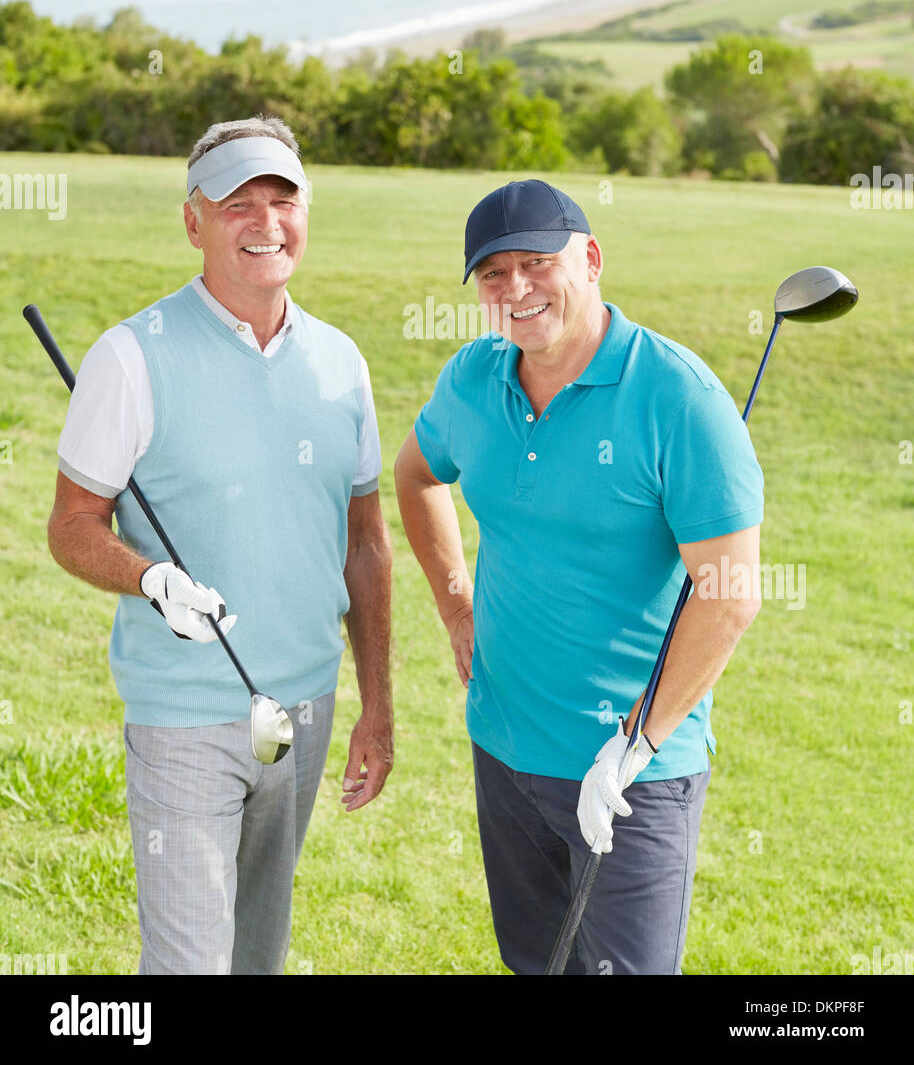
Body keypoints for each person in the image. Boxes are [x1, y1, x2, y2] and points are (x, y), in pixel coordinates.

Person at [47, 115, 393, 975]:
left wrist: (376, 705)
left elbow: (367, 546)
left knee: (255, 955)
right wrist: (152, 576)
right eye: (238, 201)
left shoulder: (341, 362)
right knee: (190, 966)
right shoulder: (129, 357)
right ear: (193, 221)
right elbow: (72, 525)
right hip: (187, 717)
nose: (266, 220)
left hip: (303, 708)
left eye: (283, 198)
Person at [395, 179, 763, 976]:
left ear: (590, 260)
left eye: (537, 262)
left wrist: (636, 742)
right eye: (493, 275)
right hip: (504, 750)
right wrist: (459, 609)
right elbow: (418, 473)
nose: (516, 289)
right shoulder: (472, 379)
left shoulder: (680, 398)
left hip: (630, 776)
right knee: (536, 966)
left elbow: (729, 595)